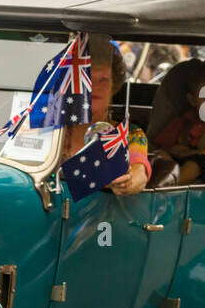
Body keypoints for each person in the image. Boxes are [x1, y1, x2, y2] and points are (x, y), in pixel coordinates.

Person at [61, 35, 150, 195]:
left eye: (104, 80)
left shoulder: (130, 134)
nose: (96, 87)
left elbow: (139, 174)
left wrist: (123, 181)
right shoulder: (53, 131)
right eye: (88, 79)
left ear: (113, 86)